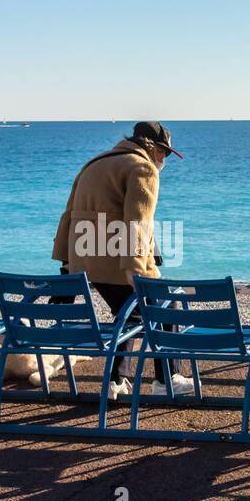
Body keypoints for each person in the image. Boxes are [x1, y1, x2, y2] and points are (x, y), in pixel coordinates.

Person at [51, 121, 192, 399]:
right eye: (164, 153)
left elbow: (68, 215)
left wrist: (66, 262)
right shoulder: (142, 168)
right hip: (119, 263)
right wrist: (136, 271)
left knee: (131, 314)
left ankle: (118, 381)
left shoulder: (93, 164)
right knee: (166, 303)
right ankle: (167, 379)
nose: (164, 160)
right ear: (152, 148)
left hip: (85, 262)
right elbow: (137, 223)